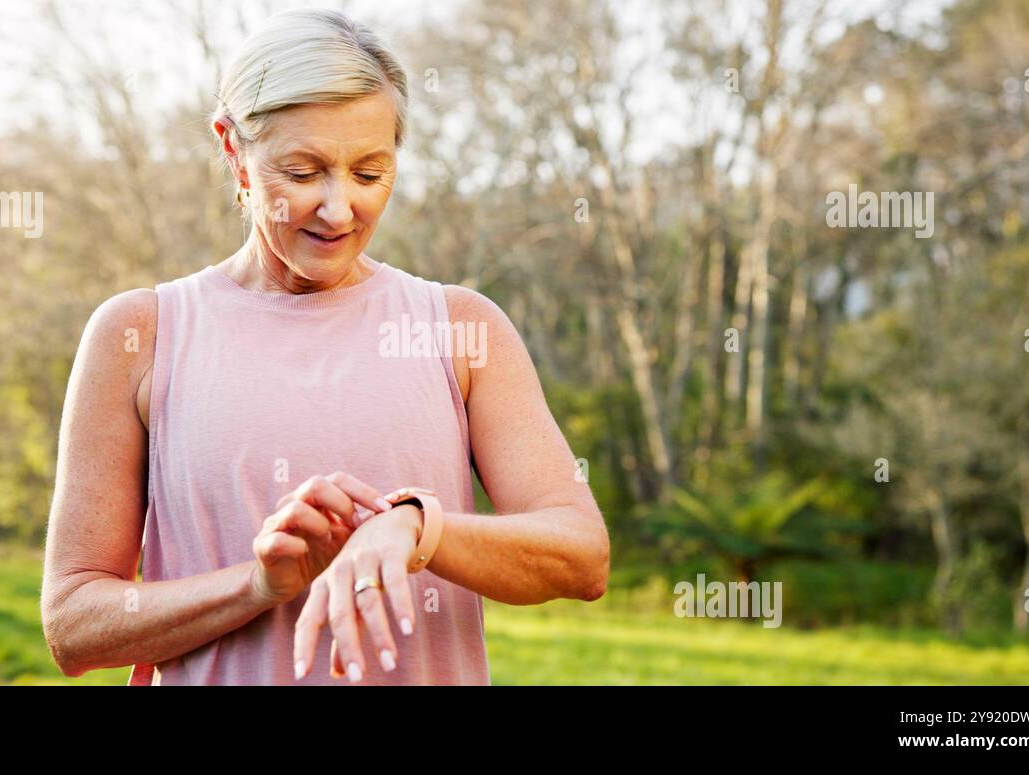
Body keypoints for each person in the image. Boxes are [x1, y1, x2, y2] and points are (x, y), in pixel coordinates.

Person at [40, 7, 608, 685]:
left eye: (369, 174)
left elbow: (581, 555)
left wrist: (415, 529)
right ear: (233, 150)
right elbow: (74, 624)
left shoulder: (461, 327)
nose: (339, 210)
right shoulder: (139, 335)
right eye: (304, 173)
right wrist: (257, 584)